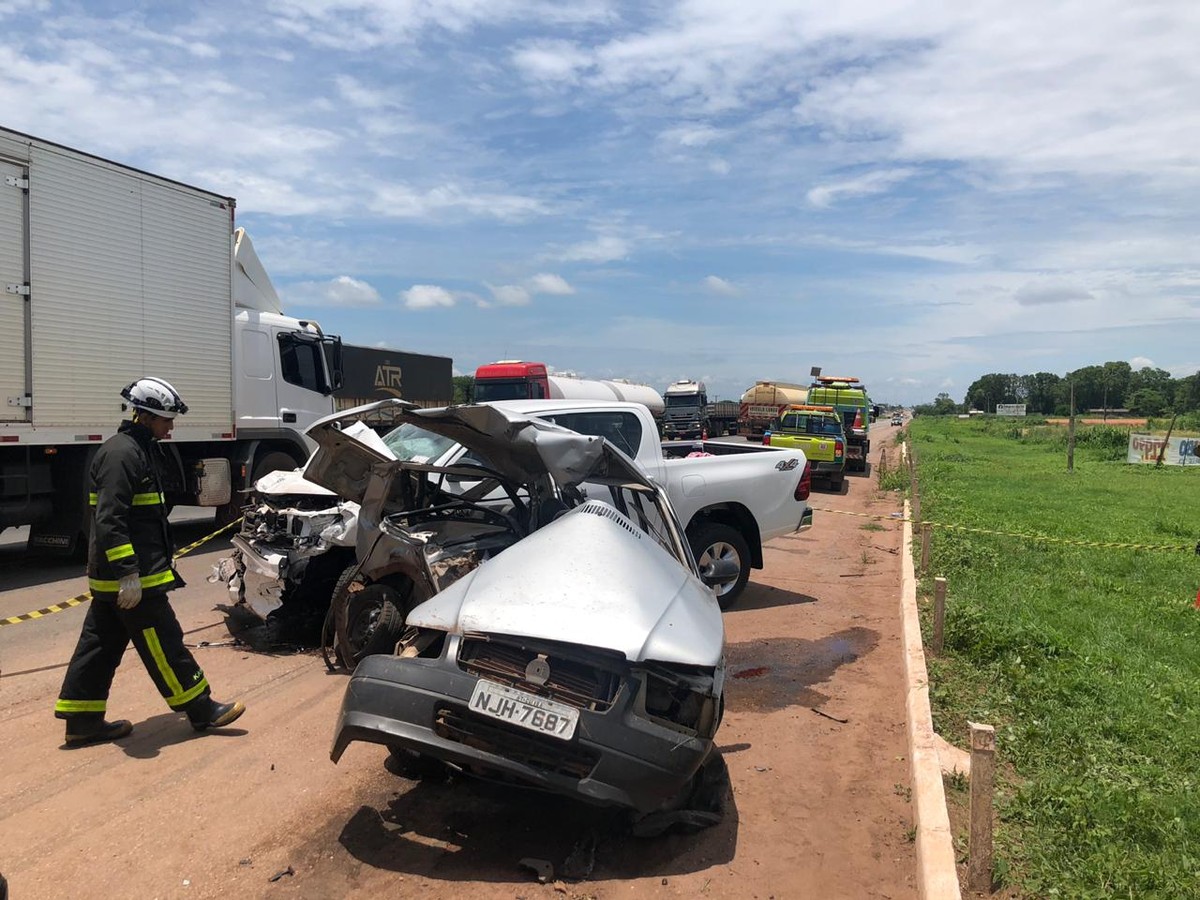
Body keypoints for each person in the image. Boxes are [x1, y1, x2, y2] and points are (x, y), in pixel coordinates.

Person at [54, 377, 246, 746]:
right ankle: (201, 709)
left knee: (100, 647)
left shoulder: (138, 450)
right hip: (132, 578)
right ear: (144, 417)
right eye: (165, 420)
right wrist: (128, 574)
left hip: (124, 576)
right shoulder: (123, 454)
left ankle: (82, 721)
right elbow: (110, 519)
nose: (170, 426)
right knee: (163, 640)